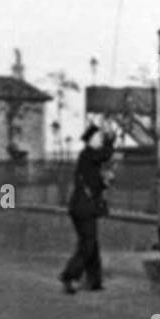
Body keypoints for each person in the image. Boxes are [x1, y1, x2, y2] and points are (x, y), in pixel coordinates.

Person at [59, 123, 116, 294]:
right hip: (83, 207)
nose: (100, 140)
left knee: (91, 243)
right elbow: (106, 154)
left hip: (81, 206)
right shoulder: (88, 154)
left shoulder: (88, 157)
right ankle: (69, 276)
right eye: (98, 137)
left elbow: (93, 181)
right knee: (88, 244)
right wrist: (111, 140)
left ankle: (94, 280)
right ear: (90, 140)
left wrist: (104, 182)